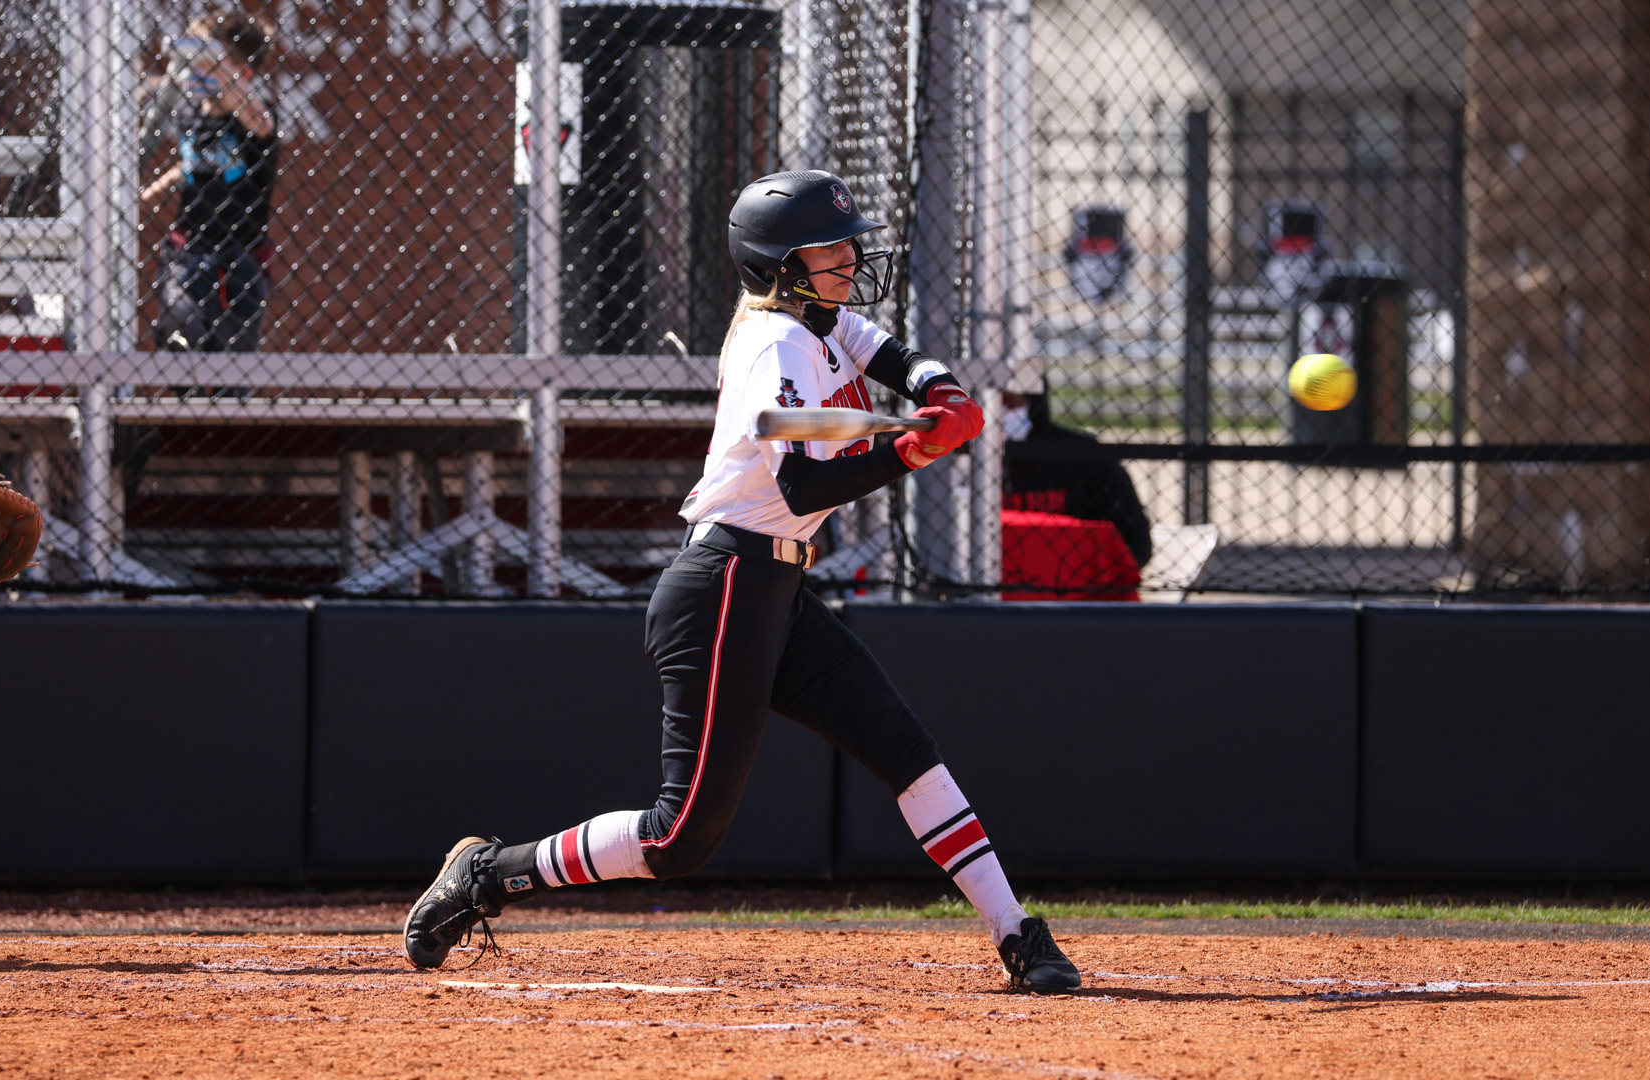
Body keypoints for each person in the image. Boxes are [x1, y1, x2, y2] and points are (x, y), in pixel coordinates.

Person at [401, 170, 1082, 994]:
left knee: (903, 750)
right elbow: (799, 485)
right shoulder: (774, 344)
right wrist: (912, 447)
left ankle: (1016, 931)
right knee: (678, 837)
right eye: (828, 247)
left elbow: (887, 351)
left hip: (777, 589)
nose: (849, 257)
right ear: (778, 261)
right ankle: (486, 874)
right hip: (723, 584)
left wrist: (937, 390)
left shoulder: (820, 323)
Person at [140, 12, 277, 355]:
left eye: (209, 62)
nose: (197, 71)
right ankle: (182, 351)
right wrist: (146, 195)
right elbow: (192, 162)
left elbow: (260, 123)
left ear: (242, 73)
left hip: (242, 252)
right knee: (179, 325)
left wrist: (222, 74)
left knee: (233, 358)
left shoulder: (256, 116)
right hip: (189, 247)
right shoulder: (190, 112)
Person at [1002, 388, 1153, 570]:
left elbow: (1137, 545)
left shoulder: (1083, 456)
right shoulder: (960, 458)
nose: (999, 411)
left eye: (1009, 404)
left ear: (1031, 397)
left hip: (1070, 587)